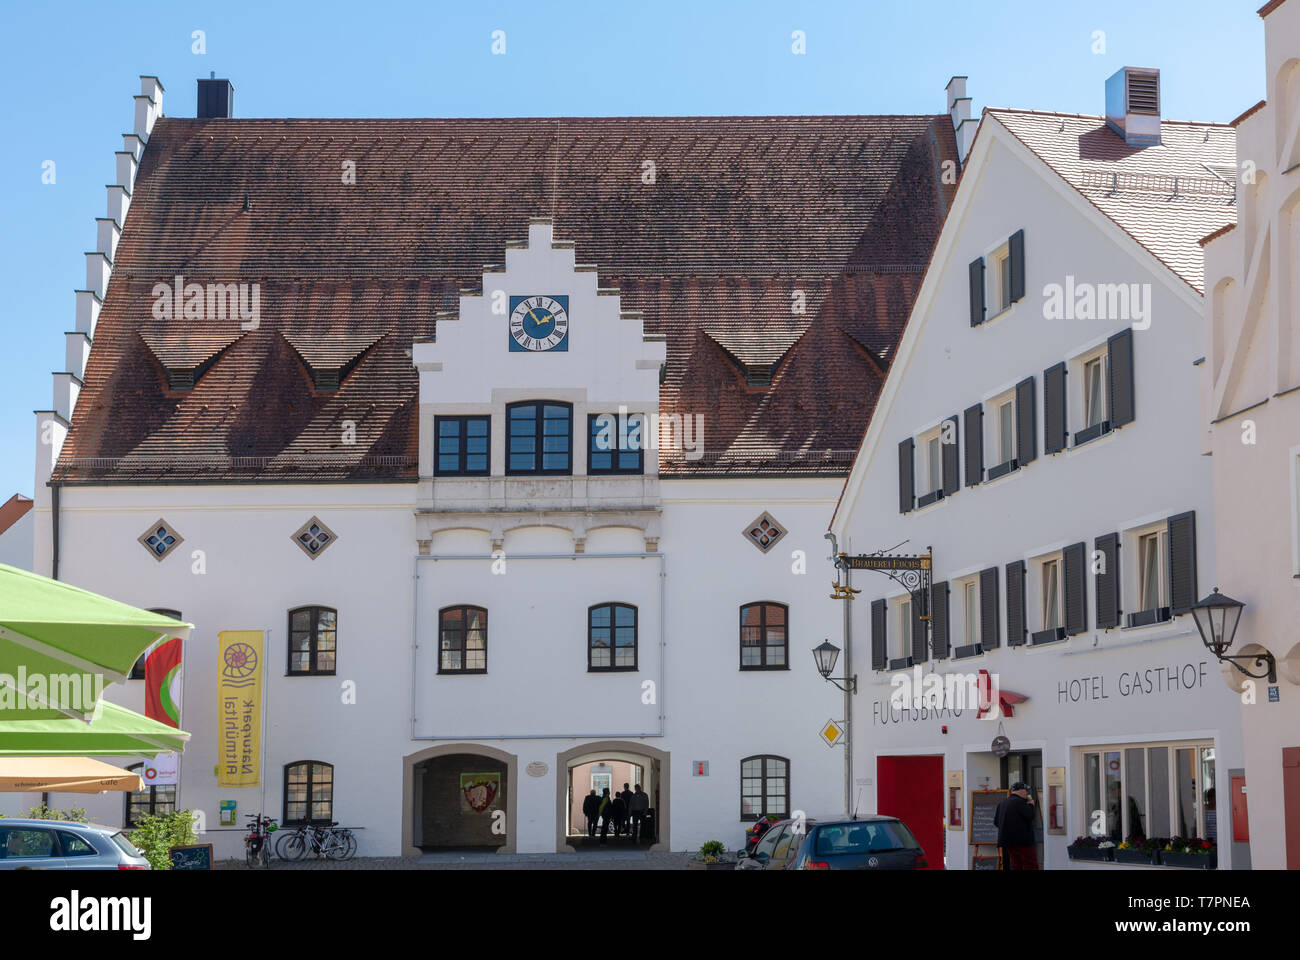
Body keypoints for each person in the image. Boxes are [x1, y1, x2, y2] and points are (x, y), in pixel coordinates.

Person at [994, 781, 1039, 870]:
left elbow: (996, 822)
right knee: (1031, 865)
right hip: (1023, 842)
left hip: (1008, 842)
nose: (1027, 793)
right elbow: (1030, 816)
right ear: (1021, 790)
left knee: (1016, 865)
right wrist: (1031, 805)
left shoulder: (1002, 803)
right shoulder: (1020, 802)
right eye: (1026, 790)